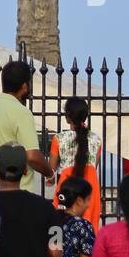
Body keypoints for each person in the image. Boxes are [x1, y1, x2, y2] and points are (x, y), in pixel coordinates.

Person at [0, 60, 55, 196]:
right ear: (24, 86)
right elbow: (32, 156)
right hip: (15, 194)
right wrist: (50, 173)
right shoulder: (22, 113)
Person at [49, 96, 102, 232]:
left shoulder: (58, 139)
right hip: (90, 188)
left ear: (67, 117)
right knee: (89, 230)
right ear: (85, 116)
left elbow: (51, 170)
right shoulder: (96, 140)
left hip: (67, 187)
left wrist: (50, 178)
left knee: (60, 229)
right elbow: (93, 166)